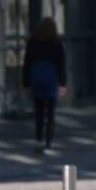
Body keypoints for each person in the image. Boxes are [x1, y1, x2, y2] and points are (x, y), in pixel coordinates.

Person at [22, 17, 67, 153]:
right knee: (50, 113)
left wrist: (26, 83)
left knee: (39, 111)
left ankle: (38, 139)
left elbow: (27, 63)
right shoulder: (56, 43)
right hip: (51, 78)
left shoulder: (32, 42)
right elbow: (61, 65)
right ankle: (48, 143)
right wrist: (62, 83)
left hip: (37, 77)